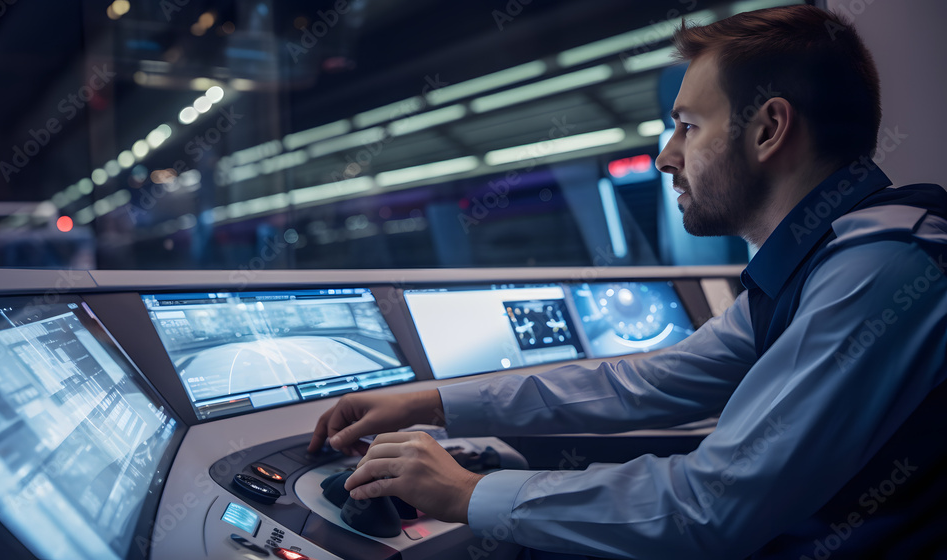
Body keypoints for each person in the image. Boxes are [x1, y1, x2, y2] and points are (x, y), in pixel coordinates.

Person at [308, 5, 947, 558]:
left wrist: (465, 491)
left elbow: (709, 508)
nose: (668, 155)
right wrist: (433, 404)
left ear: (769, 129)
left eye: (688, 127)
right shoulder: (828, 257)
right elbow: (645, 382)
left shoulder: (884, 266)